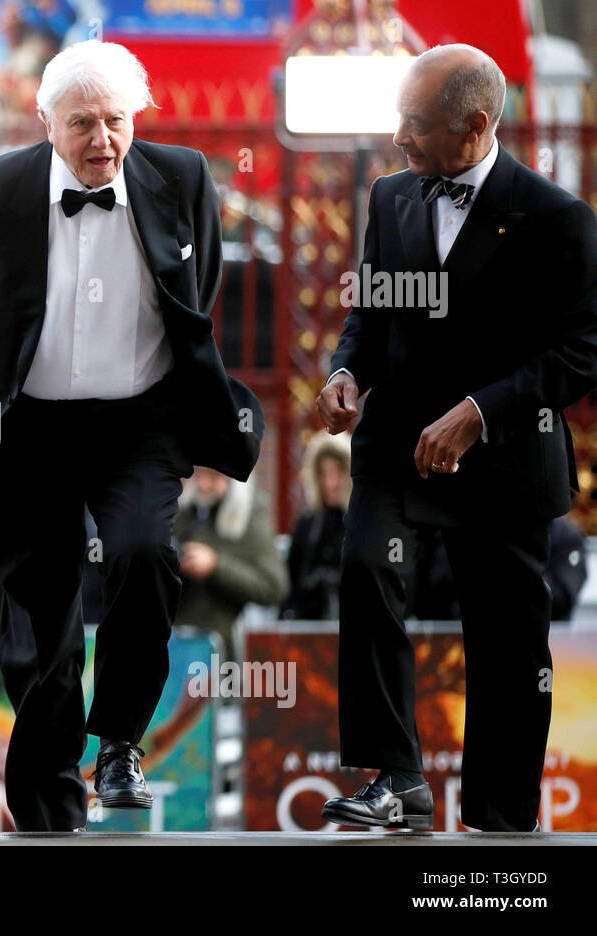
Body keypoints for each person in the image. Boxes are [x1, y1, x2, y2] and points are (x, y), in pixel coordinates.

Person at [0, 40, 263, 831]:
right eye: (83, 123)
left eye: (118, 121)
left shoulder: (184, 178)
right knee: (43, 620)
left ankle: (121, 741)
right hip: (24, 424)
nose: (103, 140)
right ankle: (46, 808)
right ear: (45, 121)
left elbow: (197, 294)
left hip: (141, 419)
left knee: (141, 552)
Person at [316, 45, 597, 833]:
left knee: (509, 646)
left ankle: (502, 822)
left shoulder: (558, 218)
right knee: (369, 569)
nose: (398, 138)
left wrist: (481, 410)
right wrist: (344, 375)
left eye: (415, 124)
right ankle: (397, 776)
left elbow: (583, 351)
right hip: (396, 451)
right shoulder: (390, 196)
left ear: (475, 125)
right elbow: (369, 315)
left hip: (505, 462)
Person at [172, 468, 287, 656]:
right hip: (178, 642)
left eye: (213, 477)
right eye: (199, 475)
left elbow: (274, 587)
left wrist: (216, 566)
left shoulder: (250, 518)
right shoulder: (185, 512)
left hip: (221, 646)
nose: (204, 485)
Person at [281, 431, 351, 621]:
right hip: (308, 632)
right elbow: (289, 583)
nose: (331, 483)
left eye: (338, 472)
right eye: (324, 473)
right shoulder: (307, 523)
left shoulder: (364, 523)